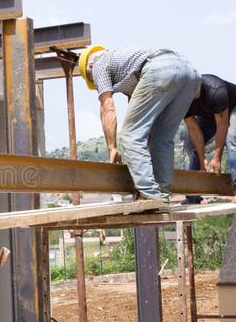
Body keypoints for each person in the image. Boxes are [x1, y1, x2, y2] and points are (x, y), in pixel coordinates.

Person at [78, 45, 200, 201]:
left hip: (159, 69)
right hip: (190, 73)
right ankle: (162, 194)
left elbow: (107, 108)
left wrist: (112, 147)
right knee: (162, 139)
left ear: (90, 67)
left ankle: (149, 194)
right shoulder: (128, 70)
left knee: (130, 135)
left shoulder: (98, 65)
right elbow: (145, 126)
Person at [182, 73, 236, 204]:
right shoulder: (180, 100)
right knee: (189, 147)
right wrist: (202, 160)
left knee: (232, 138)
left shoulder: (216, 91)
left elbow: (222, 126)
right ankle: (192, 195)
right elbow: (193, 130)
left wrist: (217, 158)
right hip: (210, 115)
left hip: (233, 108)